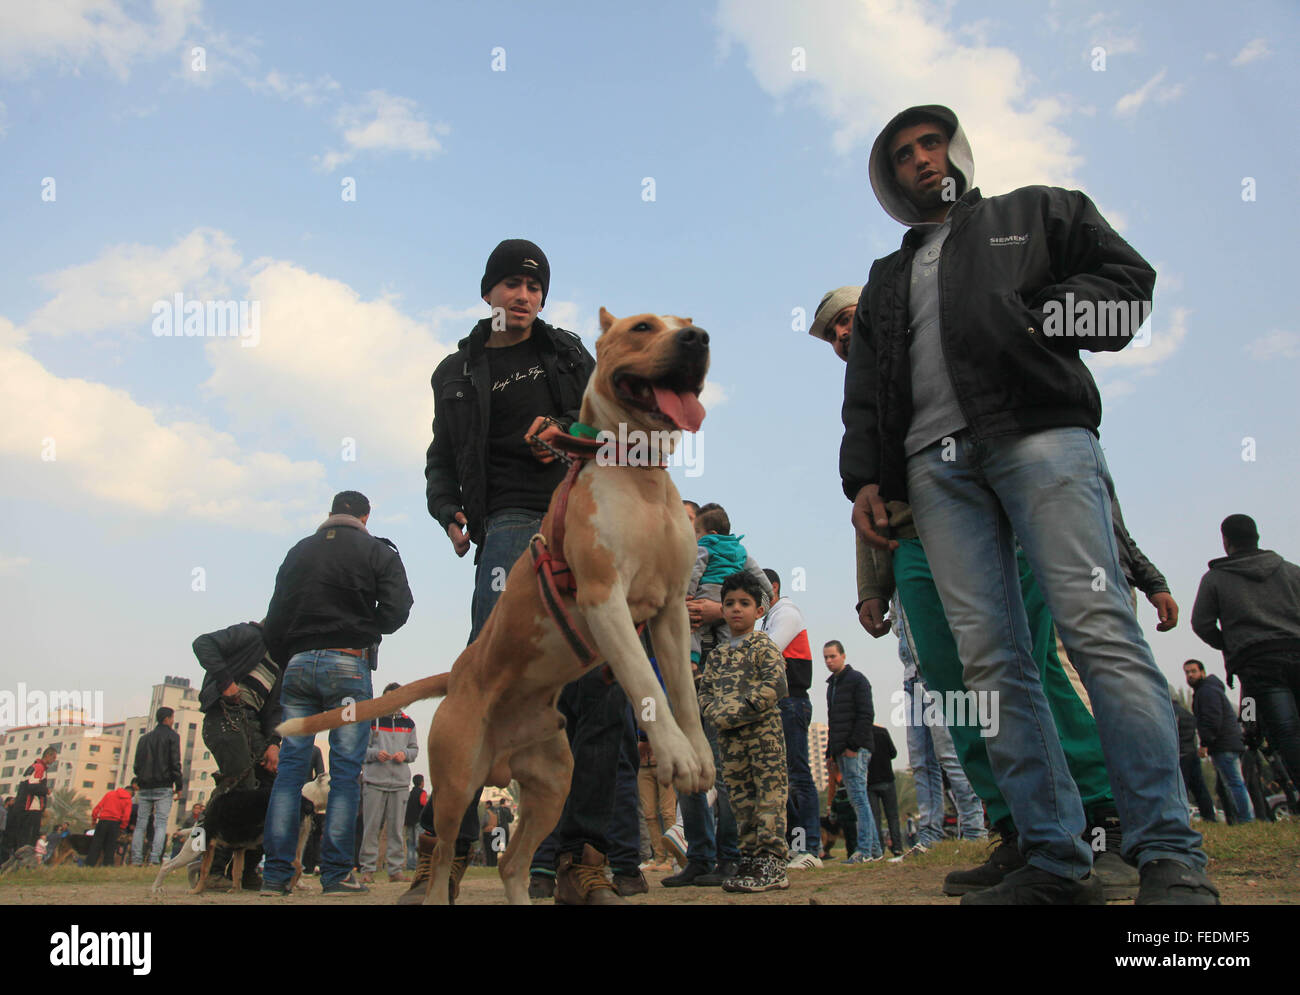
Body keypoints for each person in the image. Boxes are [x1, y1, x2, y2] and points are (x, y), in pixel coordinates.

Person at [840, 104, 1213, 904]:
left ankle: (1168, 852)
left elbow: (1128, 287)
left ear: (957, 151)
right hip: (933, 472)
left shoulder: (1036, 211)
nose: (920, 159)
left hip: (1040, 436)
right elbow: (866, 391)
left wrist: (1038, 319)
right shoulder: (885, 278)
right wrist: (864, 478)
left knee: (1097, 629)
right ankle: (1052, 857)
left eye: (931, 143)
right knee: (989, 663)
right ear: (891, 181)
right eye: (903, 154)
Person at [417, 238, 625, 906]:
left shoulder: (567, 353)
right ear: (489, 293)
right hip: (507, 523)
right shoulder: (456, 370)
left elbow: (606, 421)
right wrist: (449, 511)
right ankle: (440, 860)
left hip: (578, 514)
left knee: (598, 683)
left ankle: (579, 859)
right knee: (487, 684)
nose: (523, 293)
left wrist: (563, 431)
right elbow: (440, 458)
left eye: (534, 285)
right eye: (510, 282)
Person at [261, 490, 413, 896]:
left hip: (297, 664)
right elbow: (399, 608)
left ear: (330, 513)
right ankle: (335, 876)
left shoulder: (298, 552)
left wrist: (291, 654)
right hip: (348, 664)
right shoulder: (377, 551)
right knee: (345, 773)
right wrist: (363, 627)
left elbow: (274, 618)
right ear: (366, 516)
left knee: (291, 771)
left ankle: (274, 877)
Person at [1191, 514, 1300, 796]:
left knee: (1287, 733)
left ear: (1226, 542)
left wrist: (1232, 644)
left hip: (1257, 664)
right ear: (1257, 537)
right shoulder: (1291, 571)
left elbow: (1201, 624)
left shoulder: (1215, 579)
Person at [697, 573, 789, 893]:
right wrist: (715, 714)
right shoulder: (719, 655)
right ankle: (749, 857)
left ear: (758, 611)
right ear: (721, 609)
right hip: (730, 741)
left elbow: (775, 684)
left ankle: (772, 860)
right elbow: (705, 692)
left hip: (763, 736)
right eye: (730, 603)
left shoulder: (762, 645)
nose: (736, 609)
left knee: (768, 794)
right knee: (739, 798)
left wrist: (738, 712)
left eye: (744, 603)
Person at [759, 568, 821, 868]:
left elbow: (764, 652)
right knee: (781, 779)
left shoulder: (787, 612)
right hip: (779, 704)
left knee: (798, 776)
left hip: (792, 702)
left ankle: (809, 848)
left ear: (773, 587)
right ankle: (794, 847)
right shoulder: (769, 618)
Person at [192, 619, 285, 805]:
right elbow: (203, 643)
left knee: (272, 787)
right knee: (243, 788)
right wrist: (226, 682)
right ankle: (205, 830)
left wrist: (274, 743)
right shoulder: (251, 634)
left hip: (253, 724)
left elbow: (276, 709)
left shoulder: (281, 663)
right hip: (226, 714)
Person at [823, 640, 882, 862]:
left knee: (859, 799)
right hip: (840, 751)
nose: (829, 661)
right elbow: (833, 720)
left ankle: (865, 851)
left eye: (833, 656)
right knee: (859, 799)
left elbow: (866, 715)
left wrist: (853, 746)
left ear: (843, 656)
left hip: (855, 750)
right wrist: (831, 753)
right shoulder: (832, 686)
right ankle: (874, 851)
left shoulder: (857, 680)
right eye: (826, 658)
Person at [359, 682, 418, 883]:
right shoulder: (371, 721)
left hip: (400, 784)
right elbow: (360, 750)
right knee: (371, 827)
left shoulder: (409, 723)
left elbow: (415, 750)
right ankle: (367, 869)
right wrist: (375, 754)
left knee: (396, 829)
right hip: (374, 782)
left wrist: (405, 754)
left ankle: (395, 870)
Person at [1184, 660, 1252, 824]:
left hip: (1223, 744)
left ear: (1203, 672)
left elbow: (1211, 719)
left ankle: (1245, 819)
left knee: (1233, 783)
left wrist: (1205, 743)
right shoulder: (1208, 690)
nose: (1190, 675)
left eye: (1193, 671)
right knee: (1230, 784)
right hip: (1227, 742)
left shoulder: (1206, 692)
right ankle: (1241, 818)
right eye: (1187, 672)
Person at [132, 710, 182, 865]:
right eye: (172, 717)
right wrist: (179, 785)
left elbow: (136, 765)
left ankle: (136, 859)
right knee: (160, 823)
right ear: (167, 719)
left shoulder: (144, 739)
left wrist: (140, 779)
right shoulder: (173, 736)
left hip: (145, 786)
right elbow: (175, 763)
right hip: (164, 785)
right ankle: (154, 859)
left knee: (141, 824)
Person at [1172, 698, 1216, 822]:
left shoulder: (1171, 713)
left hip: (1180, 754)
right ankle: (1209, 816)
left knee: (1181, 788)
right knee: (1199, 787)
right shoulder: (1188, 714)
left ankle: (1181, 817)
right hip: (1192, 753)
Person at [867, 724, 903, 858]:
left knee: (875, 818)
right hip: (887, 778)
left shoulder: (861, 735)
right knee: (892, 816)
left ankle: (879, 849)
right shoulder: (882, 732)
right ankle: (897, 847)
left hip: (870, 782)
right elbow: (893, 753)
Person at [88, 782, 135, 867]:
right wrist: (122, 827)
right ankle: (108, 865)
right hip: (115, 824)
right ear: (131, 794)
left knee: (96, 844)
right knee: (111, 846)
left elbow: (97, 808)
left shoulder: (110, 794)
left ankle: (89, 864)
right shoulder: (128, 800)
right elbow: (126, 817)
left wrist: (94, 820)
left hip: (103, 821)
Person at [405, 775, 427, 871]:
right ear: (421, 782)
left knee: (410, 844)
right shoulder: (422, 793)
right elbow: (423, 803)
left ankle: (410, 864)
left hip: (409, 821)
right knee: (419, 844)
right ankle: (418, 864)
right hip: (418, 821)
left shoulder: (410, 793)